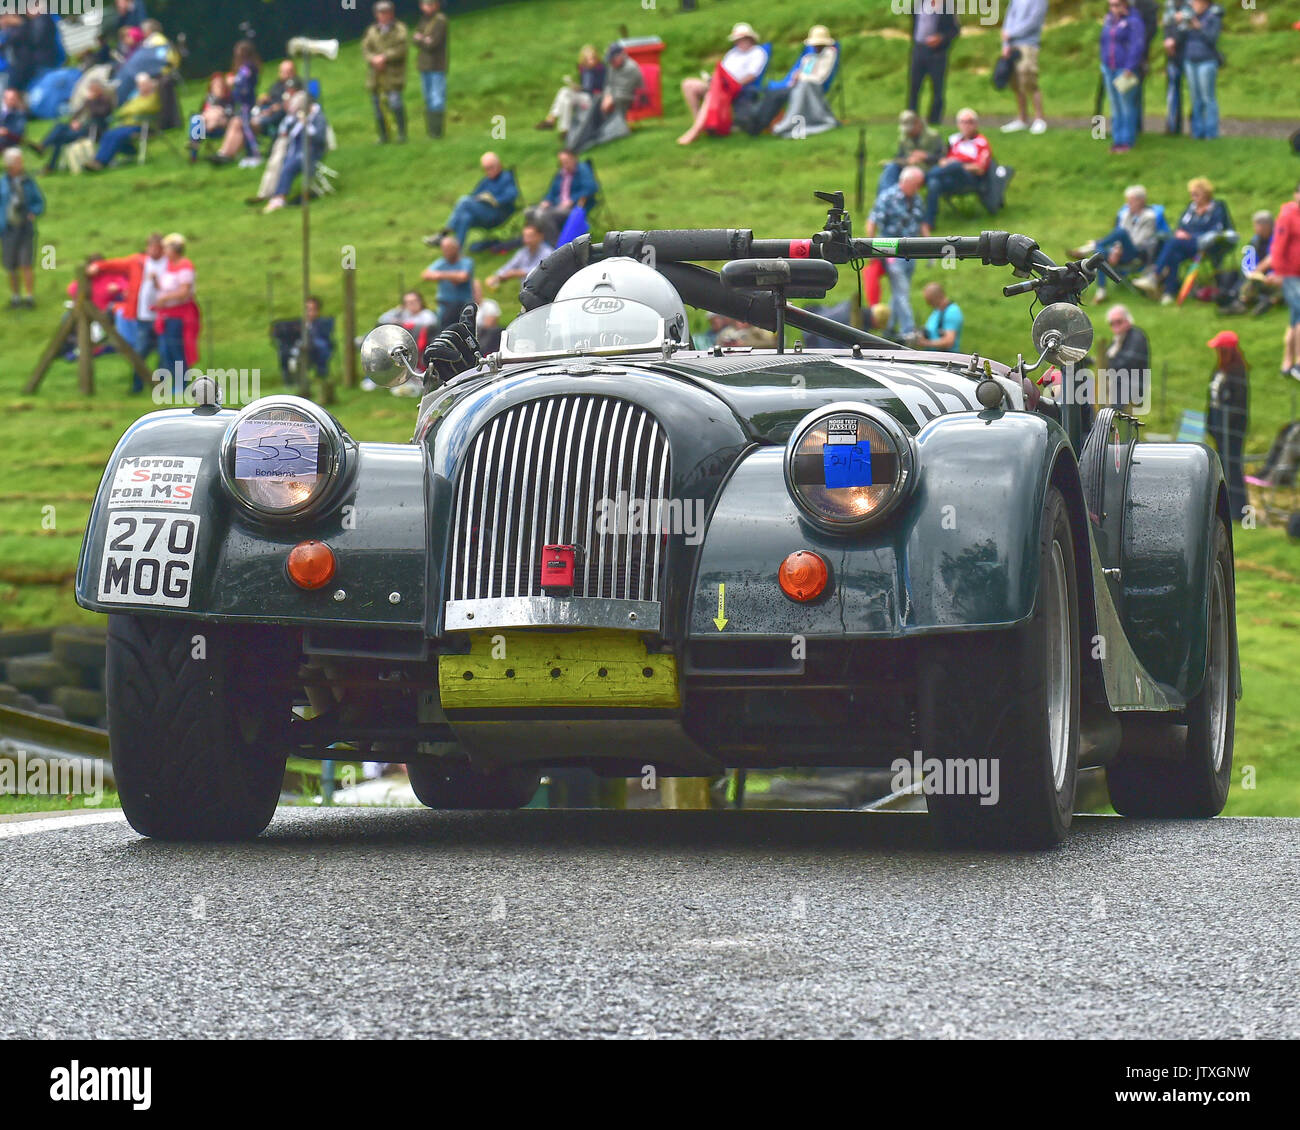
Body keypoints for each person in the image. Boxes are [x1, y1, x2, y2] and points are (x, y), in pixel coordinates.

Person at [1134, 176, 1233, 304]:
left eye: (1196, 194)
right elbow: (1180, 226)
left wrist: (1191, 236)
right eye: (1192, 195)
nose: (1193, 198)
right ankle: (1169, 293)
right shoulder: (1190, 209)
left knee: (1173, 243)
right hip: (1188, 245)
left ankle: (1154, 276)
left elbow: (1217, 229)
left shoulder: (1217, 208)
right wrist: (1180, 233)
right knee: (1174, 254)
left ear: (1206, 194)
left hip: (1209, 245)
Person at [87, 232, 166, 390]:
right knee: (140, 352)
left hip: (163, 315)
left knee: (165, 351)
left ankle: (161, 386)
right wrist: (98, 266)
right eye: (151, 247)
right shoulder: (138, 262)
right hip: (143, 316)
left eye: (157, 248)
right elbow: (116, 264)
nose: (154, 251)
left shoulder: (168, 263)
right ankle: (137, 386)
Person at [677, 23, 769, 146]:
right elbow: (722, 71)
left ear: (750, 39)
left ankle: (696, 130)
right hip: (721, 84)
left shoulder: (757, 53)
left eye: (743, 39)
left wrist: (731, 83)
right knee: (688, 84)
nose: (740, 42)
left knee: (712, 94)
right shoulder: (732, 53)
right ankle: (699, 121)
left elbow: (752, 75)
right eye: (738, 40)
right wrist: (712, 79)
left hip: (737, 87)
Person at [867, 166, 930, 342]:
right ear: (907, 182)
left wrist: (932, 248)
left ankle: (888, 327)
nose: (918, 188)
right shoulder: (887, 197)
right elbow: (872, 223)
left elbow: (922, 222)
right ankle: (908, 330)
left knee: (900, 291)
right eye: (916, 184)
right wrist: (870, 250)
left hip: (912, 252)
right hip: (891, 251)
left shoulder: (916, 199)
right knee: (902, 290)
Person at [1072, 185, 1161, 302]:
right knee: (1100, 254)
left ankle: (1092, 246)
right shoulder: (1127, 214)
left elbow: (1141, 241)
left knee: (1121, 232)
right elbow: (1117, 240)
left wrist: (1119, 250)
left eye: (1131, 201)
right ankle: (1101, 292)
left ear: (1141, 201)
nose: (1128, 204)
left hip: (1137, 253)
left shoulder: (1149, 217)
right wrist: (1116, 250)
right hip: (1120, 251)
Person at [426, 151, 518, 248]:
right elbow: (473, 196)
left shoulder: (506, 177)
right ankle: (456, 253)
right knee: (465, 217)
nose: (488, 171)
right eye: (485, 169)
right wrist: (481, 198)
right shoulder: (486, 181)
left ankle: (443, 234)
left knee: (464, 201)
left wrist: (494, 200)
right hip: (484, 216)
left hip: (499, 214)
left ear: (499, 165)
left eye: (490, 168)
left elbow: (513, 194)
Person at [922, 108, 991, 229]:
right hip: (949, 177)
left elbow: (980, 168)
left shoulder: (981, 142)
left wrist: (958, 165)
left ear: (976, 124)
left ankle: (924, 177)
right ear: (958, 124)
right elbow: (943, 159)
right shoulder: (953, 140)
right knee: (934, 183)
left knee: (955, 165)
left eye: (970, 122)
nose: (966, 125)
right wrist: (946, 163)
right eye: (963, 122)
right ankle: (929, 223)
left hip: (969, 179)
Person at [1205, 330, 1248, 523]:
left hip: (1231, 429)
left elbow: (1238, 404)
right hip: (1218, 425)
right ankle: (1226, 509)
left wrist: (1225, 425)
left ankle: (1241, 511)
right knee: (1224, 466)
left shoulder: (1238, 372)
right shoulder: (1219, 369)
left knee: (1233, 467)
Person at [568, 42, 643, 154]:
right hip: (612, 96)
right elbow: (608, 84)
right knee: (594, 103)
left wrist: (610, 98)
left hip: (627, 98)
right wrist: (607, 95)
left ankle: (594, 137)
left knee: (597, 104)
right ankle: (579, 139)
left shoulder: (630, 68)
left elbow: (625, 90)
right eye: (610, 60)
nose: (611, 62)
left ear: (621, 55)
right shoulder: (613, 66)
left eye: (613, 59)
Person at [261, 90, 329, 214]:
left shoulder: (318, 118)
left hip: (312, 152)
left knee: (289, 167)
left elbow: (320, 139)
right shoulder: (298, 118)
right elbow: (289, 132)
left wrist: (306, 125)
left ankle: (279, 198)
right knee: (282, 163)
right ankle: (274, 195)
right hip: (297, 152)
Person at [770, 26, 839, 139]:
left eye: (819, 44)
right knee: (778, 93)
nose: (817, 47)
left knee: (802, 87)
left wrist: (800, 76)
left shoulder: (830, 54)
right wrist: (797, 76)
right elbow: (805, 74)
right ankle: (771, 123)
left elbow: (820, 77)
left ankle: (787, 124)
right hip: (802, 85)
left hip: (815, 87)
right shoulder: (809, 58)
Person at [152, 233, 200, 394]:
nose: (164, 251)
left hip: (178, 316)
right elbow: (166, 287)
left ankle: (182, 384)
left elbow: (184, 292)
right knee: (167, 350)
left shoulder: (185, 266)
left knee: (177, 349)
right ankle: (174, 383)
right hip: (167, 315)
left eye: (166, 248)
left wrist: (165, 298)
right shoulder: (169, 266)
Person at [85, 72, 160, 170]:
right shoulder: (137, 98)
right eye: (140, 85)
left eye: (144, 85)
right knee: (107, 134)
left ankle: (101, 162)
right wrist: (131, 110)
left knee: (117, 135)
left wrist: (130, 110)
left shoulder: (154, 97)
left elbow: (147, 108)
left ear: (150, 84)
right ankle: (98, 160)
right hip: (128, 125)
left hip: (143, 125)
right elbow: (122, 110)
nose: (141, 87)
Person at [37, 80, 114, 174]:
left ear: (99, 90)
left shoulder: (105, 101)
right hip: (83, 128)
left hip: (93, 131)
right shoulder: (89, 101)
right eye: (90, 90)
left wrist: (90, 102)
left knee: (59, 139)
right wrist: (74, 121)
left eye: (92, 90)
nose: (90, 92)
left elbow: (101, 113)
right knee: (60, 126)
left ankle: (48, 159)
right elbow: (77, 113)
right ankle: (43, 147)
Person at [1100, 0, 1145, 154]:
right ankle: (1117, 139)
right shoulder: (1109, 20)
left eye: (1117, 4)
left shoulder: (1134, 21)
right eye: (1111, 5)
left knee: (1126, 106)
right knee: (1115, 106)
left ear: (1125, 4)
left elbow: (1137, 45)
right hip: (1109, 67)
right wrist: (1103, 62)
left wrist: (1130, 67)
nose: (1114, 8)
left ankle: (1127, 140)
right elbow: (1104, 42)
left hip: (1124, 70)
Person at [0, 148, 42, 308]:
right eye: (19, 161)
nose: (22, 164)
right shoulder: (2, 183)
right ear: (10, 165)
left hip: (25, 228)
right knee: (11, 265)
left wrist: (34, 212)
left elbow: (39, 201)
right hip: (8, 229)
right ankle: (15, 297)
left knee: (26, 263)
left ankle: (29, 297)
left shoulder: (28, 181)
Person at [907, 0, 961, 127]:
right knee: (914, 86)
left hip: (937, 53)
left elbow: (954, 30)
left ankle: (934, 121)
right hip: (919, 49)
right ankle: (911, 119)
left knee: (937, 88)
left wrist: (941, 38)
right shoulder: (919, 3)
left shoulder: (947, 6)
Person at [363, 0, 409, 144]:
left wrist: (385, 57)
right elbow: (365, 49)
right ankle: (383, 136)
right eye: (381, 13)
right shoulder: (372, 31)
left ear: (392, 13)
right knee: (378, 107)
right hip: (376, 76)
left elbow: (402, 49)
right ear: (376, 15)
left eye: (387, 12)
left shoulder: (399, 29)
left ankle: (402, 134)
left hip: (393, 74)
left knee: (396, 104)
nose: (384, 15)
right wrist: (373, 59)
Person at [999, 0, 1047, 134]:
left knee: (1029, 79)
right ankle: (1022, 119)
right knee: (1016, 82)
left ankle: (1039, 119)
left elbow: (1034, 21)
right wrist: (1006, 44)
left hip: (1028, 44)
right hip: (1012, 44)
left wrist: (1012, 33)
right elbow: (1009, 18)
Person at [531, 148, 597, 244]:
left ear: (573, 159)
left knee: (546, 216)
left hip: (575, 207)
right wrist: (547, 200)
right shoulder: (560, 174)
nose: (564, 165)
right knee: (531, 212)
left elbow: (591, 187)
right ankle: (539, 244)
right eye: (562, 162)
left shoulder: (582, 169)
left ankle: (556, 247)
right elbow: (551, 192)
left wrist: (572, 200)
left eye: (566, 161)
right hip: (556, 205)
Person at [537, 45, 604, 135]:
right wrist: (576, 87)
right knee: (565, 95)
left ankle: (552, 120)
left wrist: (581, 88)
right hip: (583, 95)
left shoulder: (601, 69)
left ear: (596, 58)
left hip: (593, 99)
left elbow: (596, 88)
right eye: (587, 59)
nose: (590, 61)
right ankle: (564, 130)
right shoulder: (584, 70)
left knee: (565, 93)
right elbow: (585, 86)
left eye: (592, 58)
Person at [1222, 212, 1279, 316]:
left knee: (1286, 285)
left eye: (1256, 225)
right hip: (1259, 278)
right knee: (1249, 282)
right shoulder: (1254, 241)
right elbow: (1247, 263)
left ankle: (1268, 302)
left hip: (1275, 277)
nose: (1254, 228)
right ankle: (1242, 303)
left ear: (1265, 226)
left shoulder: (1279, 240)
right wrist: (1251, 272)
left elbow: (1281, 262)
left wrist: (1273, 274)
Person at [878, 109, 945, 197]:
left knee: (929, 182)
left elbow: (942, 157)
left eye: (910, 128)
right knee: (891, 168)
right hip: (907, 168)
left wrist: (926, 157)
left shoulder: (933, 136)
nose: (908, 132)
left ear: (917, 123)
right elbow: (899, 156)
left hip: (927, 170)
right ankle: (884, 200)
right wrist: (905, 160)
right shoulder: (903, 139)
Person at [1272, 180, 1300, 380]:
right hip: (1290, 273)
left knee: (1294, 319)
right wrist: (1279, 271)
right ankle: (1298, 362)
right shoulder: (1288, 215)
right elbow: (1278, 245)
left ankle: (1287, 362)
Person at [1181, 0, 1221, 141]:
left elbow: (1212, 39)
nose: (1193, 6)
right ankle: (1197, 132)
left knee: (1207, 97)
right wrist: (1181, 23)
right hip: (1190, 60)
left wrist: (1199, 27)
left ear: (1204, 3)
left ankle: (1211, 132)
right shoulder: (1190, 17)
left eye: (1196, 3)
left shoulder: (1213, 18)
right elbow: (1182, 36)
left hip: (1206, 61)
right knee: (1195, 98)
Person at [1102, 305, 1150, 411]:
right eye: (1112, 323)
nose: (1115, 326)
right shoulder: (1118, 338)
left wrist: (1108, 365)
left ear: (1128, 320)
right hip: (1118, 383)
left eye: (1119, 321)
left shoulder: (1137, 337)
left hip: (1131, 387)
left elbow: (1128, 361)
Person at [422, 235, 475, 329]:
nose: (446, 252)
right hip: (444, 306)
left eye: (449, 249)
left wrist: (440, 275)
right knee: (443, 330)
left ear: (456, 248)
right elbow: (426, 274)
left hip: (462, 306)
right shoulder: (441, 262)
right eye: (444, 249)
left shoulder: (466, 262)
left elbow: (463, 277)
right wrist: (452, 276)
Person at [414, 0, 448, 139]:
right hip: (424, 65)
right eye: (425, 5)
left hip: (437, 65)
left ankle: (437, 132)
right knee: (428, 98)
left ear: (436, 5)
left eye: (430, 4)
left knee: (437, 98)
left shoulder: (440, 21)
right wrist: (423, 39)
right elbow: (415, 38)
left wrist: (422, 39)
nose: (427, 7)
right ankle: (431, 132)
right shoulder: (423, 20)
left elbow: (433, 43)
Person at [486, 223, 553, 290]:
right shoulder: (523, 251)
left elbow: (539, 270)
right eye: (525, 236)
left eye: (531, 236)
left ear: (540, 236)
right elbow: (510, 265)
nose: (527, 240)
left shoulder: (548, 252)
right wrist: (496, 276)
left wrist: (516, 273)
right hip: (528, 292)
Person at [187, 72, 234, 165]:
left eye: (219, 85)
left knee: (211, 116)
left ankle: (193, 147)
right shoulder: (208, 99)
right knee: (197, 119)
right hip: (206, 126)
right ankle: (193, 153)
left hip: (222, 128)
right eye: (214, 85)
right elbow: (202, 113)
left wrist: (216, 119)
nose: (216, 87)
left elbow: (230, 118)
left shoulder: (229, 99)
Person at [1161, 1, 1192, 134]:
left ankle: (1198, 128)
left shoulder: (1191, 5)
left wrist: (1175, 40)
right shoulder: (1169, 5)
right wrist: (1168, 41)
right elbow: (1166, 26)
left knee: (1195, 92)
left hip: (1190, 53)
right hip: (1173, 55)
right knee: (1173, 91)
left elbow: (1190, 27)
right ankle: (1173, 126)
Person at [251, 60, 301, 138]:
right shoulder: (277, 84)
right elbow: (271, 96)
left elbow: (293, 102)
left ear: (293, 72)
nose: (282, 74)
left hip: (280, 115)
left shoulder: (296, 85)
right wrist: (265, 98)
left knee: (253, 123)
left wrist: (278, 106)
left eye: (286, 72)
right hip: (267, 110)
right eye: (281, 71)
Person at [919, 283, 963, 352]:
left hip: (944, 358)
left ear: (936, 298)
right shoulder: (938, 310)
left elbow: (949, 342)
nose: (928, 304)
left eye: (929, 301)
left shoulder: (952, 312)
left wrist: (926, 343)